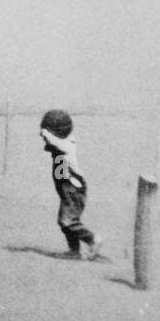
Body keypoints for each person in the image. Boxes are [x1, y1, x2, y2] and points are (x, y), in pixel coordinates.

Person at [39, 109, 103, 259]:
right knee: (67, 222)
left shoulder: (66, 145)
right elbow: (51, 144)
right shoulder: (61, 143)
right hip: (66, 189)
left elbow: (54, 141)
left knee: (66, 222)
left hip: (73, 189)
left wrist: (45, 131)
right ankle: (74, 251)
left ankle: (93, 239)